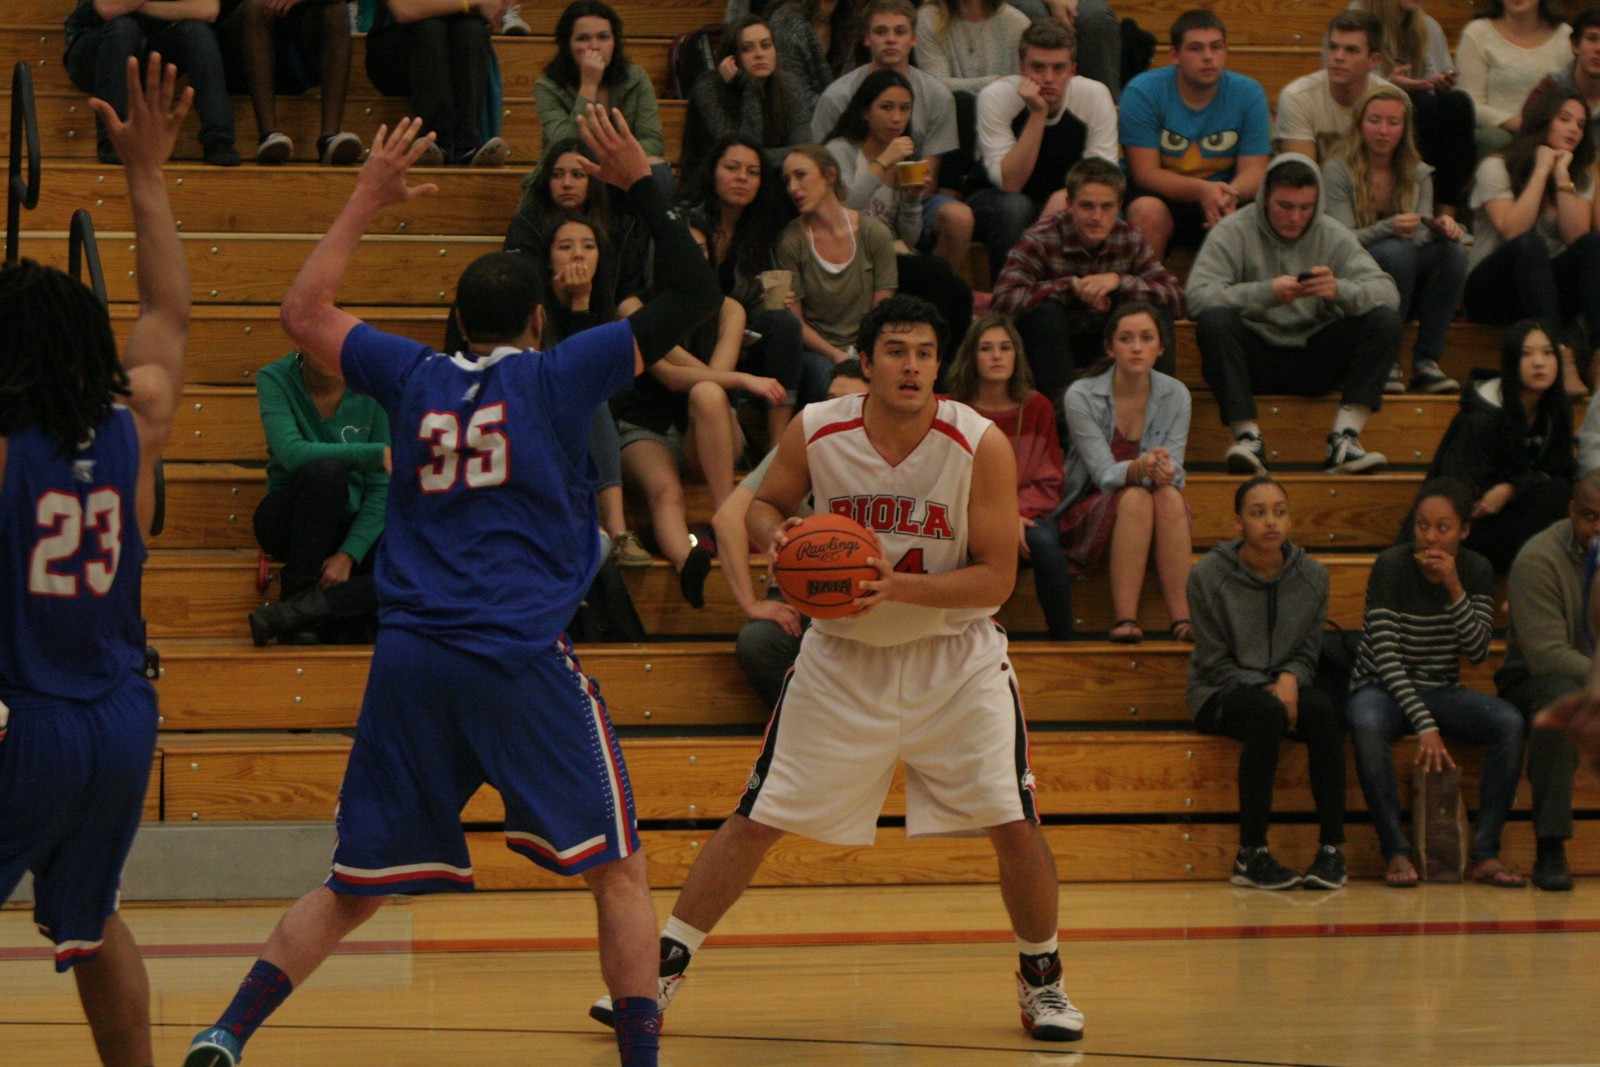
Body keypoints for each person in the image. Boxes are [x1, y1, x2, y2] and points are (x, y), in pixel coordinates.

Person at [182, 105, 722, 1067]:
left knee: (355, 884)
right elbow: (691, 289)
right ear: (535, 319)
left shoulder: (416, 375)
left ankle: (225, 1031)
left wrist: (363, 197)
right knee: (620, 870)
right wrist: (645, 184)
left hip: (412, 661)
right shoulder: (560, 376)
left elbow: (302, 313)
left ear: (459, 318)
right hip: (516, 659)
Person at [589, 294, 1087, 1043]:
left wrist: (899, 587)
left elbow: (995, 580)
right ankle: (660, 969)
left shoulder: (979, 442)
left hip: (954, 660)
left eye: (923, 351)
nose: (911, 364)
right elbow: (761, 509)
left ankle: (1042, 979)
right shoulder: (818, 428)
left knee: (1014, 822)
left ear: (938, 364)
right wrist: (779, 531)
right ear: (866, 359)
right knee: (757, 817)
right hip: (842, 660)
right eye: (895, 350)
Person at [0, 55, 189, 1067]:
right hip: (121, 720)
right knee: (90, 919)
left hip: (26, 717)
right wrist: (146, 176)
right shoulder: (134, 421)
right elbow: (168, 315)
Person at [1347, 478, 1528, 888]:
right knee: (1365, 719)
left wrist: (1454, 587)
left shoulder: (1476, 570)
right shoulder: (1391, 565)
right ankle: (1395, 851)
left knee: (1509, 722)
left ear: (1463, 531)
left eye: (1442, 528)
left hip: (1441, 688)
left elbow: (1479, 651)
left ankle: (1485, 854)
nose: (1429, 537)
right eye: (1422, 525)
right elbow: (1386, 659)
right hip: (1383, 687)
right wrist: (1424, 722)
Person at [1186, 153, 1402, 476]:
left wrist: (1339, 290)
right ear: (1264, 198)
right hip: (1254, 357)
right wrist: (1266, 293)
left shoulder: (1334, 234)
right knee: (1215, 321)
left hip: (1315, 357)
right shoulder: (1233, 230)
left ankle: (1344, 438)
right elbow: (1197, 297)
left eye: (1306, 207)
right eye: (1285, 206)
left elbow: (1389, 294)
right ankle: (1248, 438)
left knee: (1385, 320)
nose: (1296, 217)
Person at [611, 226, 787, 609]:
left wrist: (679, 354)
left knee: (708, 392)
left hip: (707, 426)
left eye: (701, 251)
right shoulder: (632, 307)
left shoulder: (730, 308)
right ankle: (686, 560)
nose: (691, 259)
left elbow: (712, 380)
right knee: (667, 492)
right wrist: (742, 377)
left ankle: (728, 521)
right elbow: (670, 378)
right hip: (646, 426)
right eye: (682, 250)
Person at [1187, 476, 1346, 891]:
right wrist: (1268, 687)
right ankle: (1251, 854)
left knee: (1326, 712)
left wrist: (1291, 678)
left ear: (1290, 519)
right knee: (1266, 714)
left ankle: (1332, 850)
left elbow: (1309, 650)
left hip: (1286, 684)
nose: (1270, 521)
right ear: (1238, 520)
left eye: (1279, 511)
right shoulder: (1207, 574)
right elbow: (1212, 659)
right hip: (1218, 691)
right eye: (1258, 513)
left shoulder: (1312, 576)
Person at [717, 360, 870, 708]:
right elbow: (727, 518)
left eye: (849, 401)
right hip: (804, 593)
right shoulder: (803, 442)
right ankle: (808, 726)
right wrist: (751, 602)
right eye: (830, 399)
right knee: (758, 642)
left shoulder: (892, 452)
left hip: (870, 595)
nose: (836, 411)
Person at [991, 157, 1185, 404]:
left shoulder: (1129, 238)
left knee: (1156, 312)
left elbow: (1177, 298)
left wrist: (1119, 282)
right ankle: (1062, 424)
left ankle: (1156, 414)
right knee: (1044, 313)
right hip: (1053, 346)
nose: (1097, 216)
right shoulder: (1041, 238)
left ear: (1119, 206)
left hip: (1109, 342)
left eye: (1106, 207)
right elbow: (1002, 301)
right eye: (1087, 206)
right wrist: (1071, 287)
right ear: (1069, 204)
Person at [1056, 301, 1191, 644]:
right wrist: (1142, 467)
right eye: (1126, 338)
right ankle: (1126, 618)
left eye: (1146, 338)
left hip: (1152, 504)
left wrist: (1165, 471)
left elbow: (1175, 468)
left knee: (1170, 496)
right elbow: (1102, 475)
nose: (1135, 347)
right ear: (1109, 347)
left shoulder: (1176, 394)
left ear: (1160, 348)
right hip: (1088, 506)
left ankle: (1183, 619)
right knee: (1134, 498)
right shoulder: (1081, 396)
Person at [1321, 85, 1468, 394]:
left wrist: (1441, 229)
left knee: (1452, 253)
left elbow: (1419, 238)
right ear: (1360, 124)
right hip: (1353, 270)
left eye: (1393, 123)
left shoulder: (1418, 173)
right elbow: (1341, 240)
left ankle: (1426, 362)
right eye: (1374, 120)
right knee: (1397, 251)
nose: (1383, 131)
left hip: (1406, 270)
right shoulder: (1337, 170)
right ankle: (1385, 360)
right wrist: (1389, 227)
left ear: (1405, 129)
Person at [1495, 470, 1600, 890]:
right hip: (1535, 679)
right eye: (1590, 516)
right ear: (1572, 511)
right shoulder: (1539, 559)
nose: (1598, 528)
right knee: (1562, 701)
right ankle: (1551, 845)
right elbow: (1546, 655)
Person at [810, 0, 971, 270]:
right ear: (866, 39)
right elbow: (824, 176)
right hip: (851, 195)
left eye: (899, 32)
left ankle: (931, 290)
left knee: (959, 217)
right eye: (881, 32)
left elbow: (927, 179)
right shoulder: (837, 97)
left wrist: (907, 200)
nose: (891, 40)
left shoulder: (937, 95)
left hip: (909, 196)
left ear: (913, 39)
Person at [1464, 88, 1600, 396]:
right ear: (1543, 121)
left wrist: (1561, 176)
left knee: (1594, 245)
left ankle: (1598, 356)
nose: (1573, 130)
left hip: (1543, 293)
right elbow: (1513, 229)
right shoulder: (1496, 166)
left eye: (1580, 125)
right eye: (1564, 119)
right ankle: (1556, 356)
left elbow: (1576, 237)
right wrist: (1541, 170)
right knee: (1530, 244)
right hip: (1491, 291)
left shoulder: (1579, 177)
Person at [247, 349, 387, 646]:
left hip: (348, 525)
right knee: (327, 473)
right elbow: (292, 453)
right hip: (290, 518)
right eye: (325, 345)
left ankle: (294, 613)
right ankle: (299, 590)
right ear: (303, 344)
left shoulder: (373, 387)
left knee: (410, 568)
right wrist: (374, 454)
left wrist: (349, 553)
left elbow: (381, 486)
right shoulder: (275, 377)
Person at [945, 314, 1072, 640]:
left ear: (1017, 355)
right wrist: (998, 518)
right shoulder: (953, 409)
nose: (997, 356)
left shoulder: (1037, 406)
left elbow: (1050, 478)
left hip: (1027, 513)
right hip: (966, 514)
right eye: (986, 348)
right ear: (972, 357)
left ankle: (1066, 640)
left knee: (1045, 544)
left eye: (1005, 347)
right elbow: (945, 477)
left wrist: (1015, 513)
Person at [821, 70, 975, 335]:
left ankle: (947, 365)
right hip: (848, 252)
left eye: (905, 109)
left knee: (959, 290)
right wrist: (882, 163)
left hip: (886, 255)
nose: (896, 118)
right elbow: (843, 209)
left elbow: (909, 237)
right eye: (886, 107)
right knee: (936, 274)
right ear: (865, 111)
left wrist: (913, 197)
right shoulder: (842, 149)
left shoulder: (905, 159)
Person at [970, 17, 1118, 281]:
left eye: (1059, 68)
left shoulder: (1094, 95)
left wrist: (1064, 198)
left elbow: (1101, 179)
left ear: (1073, 69)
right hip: (998, 198)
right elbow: (1011, 183)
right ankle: (1010, 295)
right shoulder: (996, 97)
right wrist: (1038, 112)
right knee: (1015, 207)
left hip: (1067, 196)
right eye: (1038, 68)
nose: (1048, 78)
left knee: (1105, 206)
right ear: (1021, 66)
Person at [678, 135, 804, 444]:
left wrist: (773, 302)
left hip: (743, 328)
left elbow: (758, 293)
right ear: (713, 172)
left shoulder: (761, 227)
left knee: (786, 325)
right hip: (692, 329)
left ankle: (777, 444)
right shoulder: (686, 221)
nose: (742, 178)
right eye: (732, 168)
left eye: (753, 172)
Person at [1424, 319, 1575, 572]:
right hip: (1473, 524)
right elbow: (1459, 488)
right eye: (1527, 354)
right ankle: (1532, 576)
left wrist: (1511, 489)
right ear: (1510, 361)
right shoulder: (1482, 417)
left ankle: (1533, 574)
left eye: (1548, 353)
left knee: (1560, 495)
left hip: (1519, 518)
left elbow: (1561, 470)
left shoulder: (1557, 408)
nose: (1540, 362)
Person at [1120, 9, 1272, 260]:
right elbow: (1144, 173)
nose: (1208, 57)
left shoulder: (1249, 93)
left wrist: (1225, 197)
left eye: (1216, 47)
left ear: (1226, 52)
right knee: (1147, 212)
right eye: (1196, 48)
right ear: (1174, 55)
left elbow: (1254, 172)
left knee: (1267, 212)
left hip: (1226, 194)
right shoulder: (1143, 92)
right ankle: (1145, 295)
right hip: (1163, 193)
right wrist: (1202, 190)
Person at [773, 146, 898, 403]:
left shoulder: (873, 233)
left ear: (829, 175)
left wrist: (865, 352)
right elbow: (795, 323)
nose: (793, 188)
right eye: (787, 181)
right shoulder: (791, 241)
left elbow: (882, 310)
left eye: (801, 175)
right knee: (829, 383)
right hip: (819, 350)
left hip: (867, 344)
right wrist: (835, 355)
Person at [64, 0, 240, 166]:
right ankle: (114, 139)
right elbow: (108, 7)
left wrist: (142, 6)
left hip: (144, 49)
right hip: (94, 52)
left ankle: (218, 139)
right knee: (124, 28)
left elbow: (208, 10)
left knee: (197, 30)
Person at [1350, 0, 1477, 215]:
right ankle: (1416, 211)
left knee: (1458, 103)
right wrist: (1388, 84)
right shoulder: (1357, 21)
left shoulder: (1428, 26)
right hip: (1376, 110)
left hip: (1421, 110)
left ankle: (1447, 216)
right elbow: (1347, 87)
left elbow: (1439, 74)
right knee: (1419, 102)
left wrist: (1442, 82)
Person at [535, 0, 669, 190]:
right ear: (567, 45)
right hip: (572, 175)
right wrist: (589, 85)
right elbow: (567, 146)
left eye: (603, 37)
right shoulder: (548, 85)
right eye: (583, 38)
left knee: (657, 169)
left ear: (615, 42)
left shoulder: (636, 78)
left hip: (624, 172)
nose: (594, 46)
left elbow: (652, 140)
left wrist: (615, 165)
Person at [506, 136, 651, 311]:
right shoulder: (528, 224)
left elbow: (627, 294)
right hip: (545, 320)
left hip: (606, 323)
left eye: (578, 175)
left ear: (593, 180)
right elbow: (520, 289)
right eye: (557, 175)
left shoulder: (620, 223)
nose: (567, 184)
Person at [360, 0, 509, 167]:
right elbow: (406, 9)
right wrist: (472, 3)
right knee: (430, 28)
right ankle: (434, 141)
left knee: (471, 29)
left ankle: (468, 145)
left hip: (451, 49)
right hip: (396, 56)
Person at [216, 0, 363, 165]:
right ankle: (268, 135)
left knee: (337, 9)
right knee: (256, 7)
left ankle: (329, 138)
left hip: (295, 50)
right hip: (238, 47)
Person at [682, 15, 809, 177]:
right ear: (731, 57)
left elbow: (803, 152)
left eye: (766, 45)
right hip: (716, 185)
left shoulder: (790, 85)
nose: (759, 54)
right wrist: (748, 86)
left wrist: (768, 157)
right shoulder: (709, 89)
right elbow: (743, 159)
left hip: (775, 184)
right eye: (747, 48)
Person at [1275, 11, 1397, 162]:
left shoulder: (1393, 100)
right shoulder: (1298, 96)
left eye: (1351, 50)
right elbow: (1303, 177)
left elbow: (1399, 169)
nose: (1338, 57)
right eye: (1333, 47)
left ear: (1373, 60)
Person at [1457, 0, 1572, 158]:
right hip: (1498, 135)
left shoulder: (1565, 36)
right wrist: (1521, 125)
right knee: (1497, 139)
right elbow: (1469, 103)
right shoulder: (1477, 32)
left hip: (1551, 133)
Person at [765, 0, 861, 118]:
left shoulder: (846, 20)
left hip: (837, 121)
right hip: (797, 125)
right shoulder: (787, 22)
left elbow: (848, 83)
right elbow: (795, 96)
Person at [914, 0, 1029, 95]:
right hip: (951, 115)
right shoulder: (929, 19)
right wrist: (994, 82)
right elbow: (936, 85)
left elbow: (1024, 86)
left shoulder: (1017, 24)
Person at [1526, 6, 1600, 139]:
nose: (1599, 48)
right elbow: (1526, 147)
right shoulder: (1547, 92)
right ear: (1575, 45)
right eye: (1592, 38)